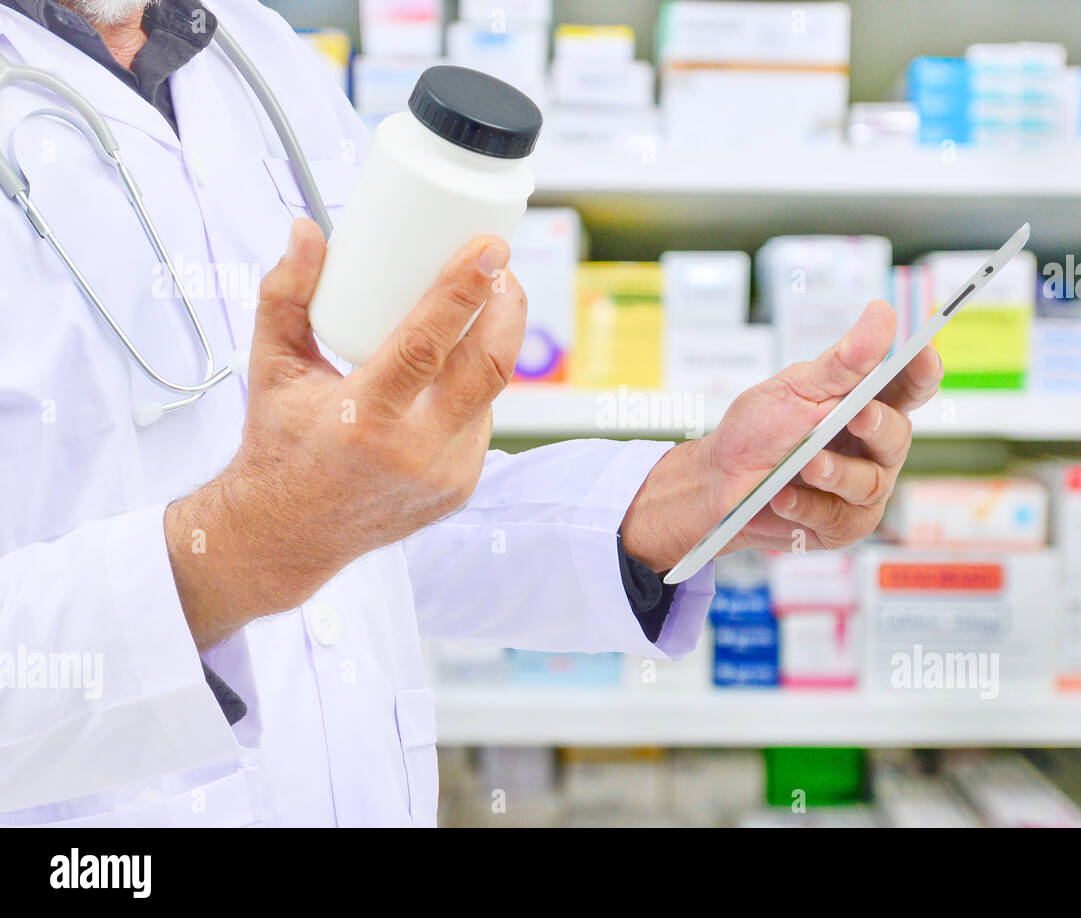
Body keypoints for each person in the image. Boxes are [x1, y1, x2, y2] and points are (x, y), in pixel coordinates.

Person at [0, 0, 942, 826]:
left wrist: (697, 489)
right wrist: (245, 548)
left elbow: (363, 508)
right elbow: (293, 523)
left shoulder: (262, 58)